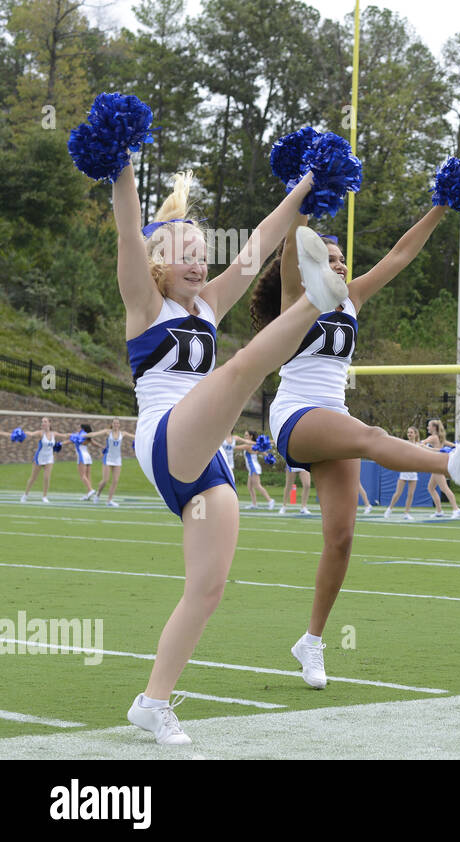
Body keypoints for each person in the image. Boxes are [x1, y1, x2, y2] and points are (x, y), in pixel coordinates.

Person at [101, 153, 351, 745]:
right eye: (183, 254)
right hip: (166, 437)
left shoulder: (209, 304)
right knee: (239, 372)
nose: (197, 260)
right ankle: (314, 301)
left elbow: (261, 240)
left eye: (201, 252)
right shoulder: (145, 305)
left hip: (207, 456)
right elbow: (126, 225)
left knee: (207, 588)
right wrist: (122, 166)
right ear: (156, 264)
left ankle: (153, 702)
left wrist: (311, 182)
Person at [251, 186, 460, 687]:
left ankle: (310, 643)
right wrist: (308, 193)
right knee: (371, 434)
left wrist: (442, 204)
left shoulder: (352, 298)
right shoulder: (297, 299)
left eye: (341, 260)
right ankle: (451, 463)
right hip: (296, 416)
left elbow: (401, 253)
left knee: (340, 539)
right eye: (329, 258)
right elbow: (291, 242)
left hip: (334, 416)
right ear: (308, 265)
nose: (339, 267)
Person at [421, 418, 460, 519]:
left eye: (429, 426)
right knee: (431, 488)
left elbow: (423, 444)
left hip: (437, 465)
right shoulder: (440, 438)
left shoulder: (433, 437)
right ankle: (439, 511)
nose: (427, 427)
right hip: (437, 464)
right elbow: (452, 446)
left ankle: (456, 509)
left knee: (444, 488)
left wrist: (425, 447)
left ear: (434, 427)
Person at [91, 419, 135, 506]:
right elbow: (94, 434)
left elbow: (136, 436)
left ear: (119, 425)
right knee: (105, 480)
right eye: (114, 423)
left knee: (115, 480)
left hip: (117, 459)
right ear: (112, 424)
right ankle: (97, 495)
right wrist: (82, 436)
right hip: (108, 458)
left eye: (117, 423)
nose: (116, 424)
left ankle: (109, 501)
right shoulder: (108, 432)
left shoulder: (123, 433)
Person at [383, 427, 424, 521]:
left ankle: (406, 513)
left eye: (411, 432)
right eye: (408, 432)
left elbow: (430, 450)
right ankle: (389, 509)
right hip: (404, 470)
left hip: (413, 472)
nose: (409, 434)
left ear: (415, 434)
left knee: (411, 494)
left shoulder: (419, 445)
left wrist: (442, 450)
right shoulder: (404, 443)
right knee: (398, 493)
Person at [19, 417, 59, 503]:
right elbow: (31, 434)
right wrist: (22, 432)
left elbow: (66, 435)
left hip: (49, 458)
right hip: (39, 458)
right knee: (33, 478)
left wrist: (76, 435)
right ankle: (25, 495)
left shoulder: (54, 434)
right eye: (42, 422)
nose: (43, 423)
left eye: (45, 422)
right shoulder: (40, 433)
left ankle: (44, 496)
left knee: (46, 477)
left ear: (49, 423)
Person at [236, 430, 274, 510]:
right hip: (251, 469)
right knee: (250, 487)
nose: (244, 437)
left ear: (251, 437)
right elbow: (263, 452)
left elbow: (235, 448)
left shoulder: (248, 446)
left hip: (254, 468)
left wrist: (227, 445)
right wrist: (267, 455)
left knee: (257, 486)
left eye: (246, 435)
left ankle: (270, 500)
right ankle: (254, 504)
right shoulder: (255, 445)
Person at [70, 423, 99, 500]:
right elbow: (94, 443)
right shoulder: (87, 437)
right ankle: (88, 494)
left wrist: (60, 443)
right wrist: (102, 446)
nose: (77, 428)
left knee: (82, 476)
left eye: (79, 428)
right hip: (87, 456)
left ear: (82, 429)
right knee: (88, 476)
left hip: (81, 456)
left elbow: (70, 440)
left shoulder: (79, 436)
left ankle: (90, 489)